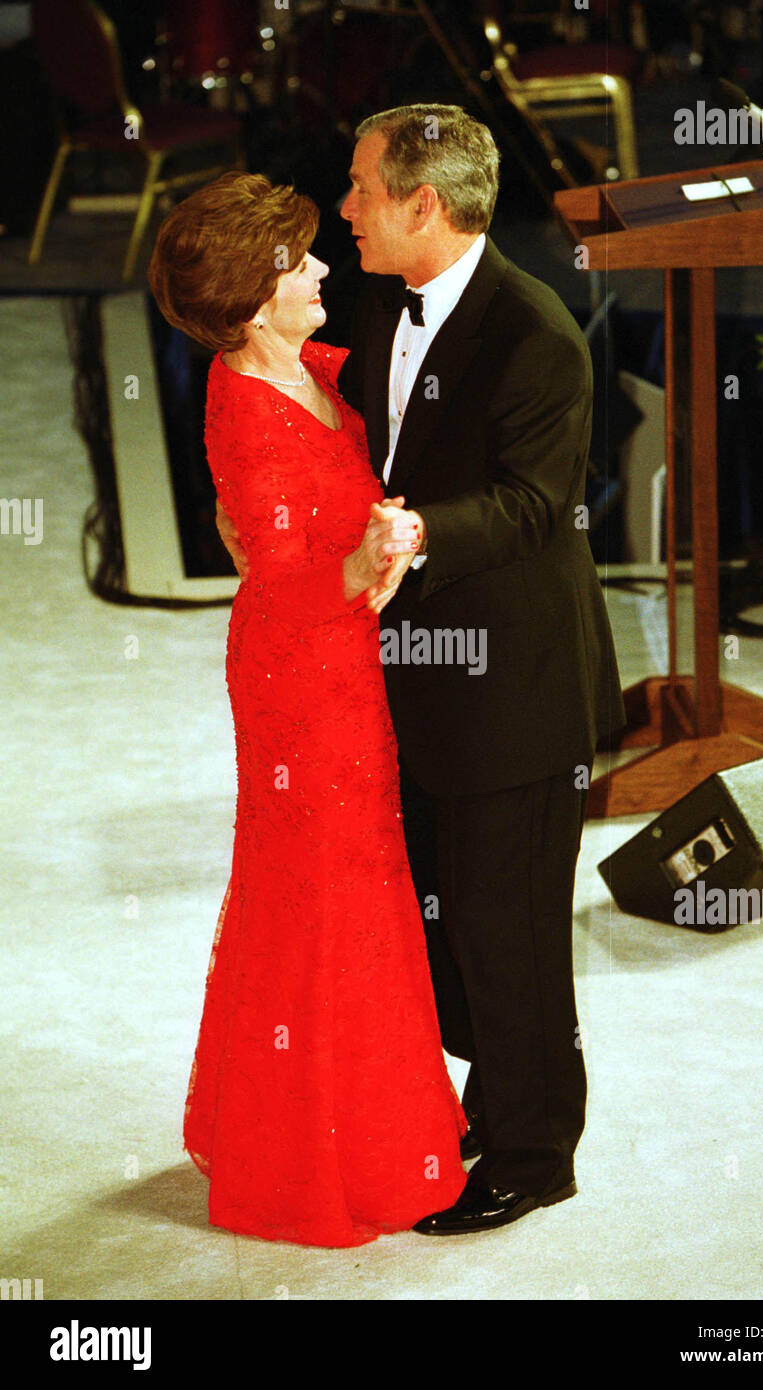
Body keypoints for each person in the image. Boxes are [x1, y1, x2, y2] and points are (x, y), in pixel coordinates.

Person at [219, 104, 626, 1236]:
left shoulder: (533, 332)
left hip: (515, 689)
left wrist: (415, 529)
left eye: (357, 190)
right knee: (451, 931)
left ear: (422, 206)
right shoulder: (368, 297)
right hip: (404, 684)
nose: (342, 209)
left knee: (514, 935)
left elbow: (538, 504)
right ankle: (476, 1113)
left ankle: (535, 1154)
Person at [147, 171, 469, 1248]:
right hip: (301, 681)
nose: (321, 267)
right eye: (297, 262)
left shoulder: (301, 367)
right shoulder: (244, 408)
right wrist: (369, 553)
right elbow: (280, 576)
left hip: (338, 665)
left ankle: (352, 1126)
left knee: (351, 890)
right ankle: (315, 1158)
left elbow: (362, 412)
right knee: (326, 896)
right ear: (251, 296)